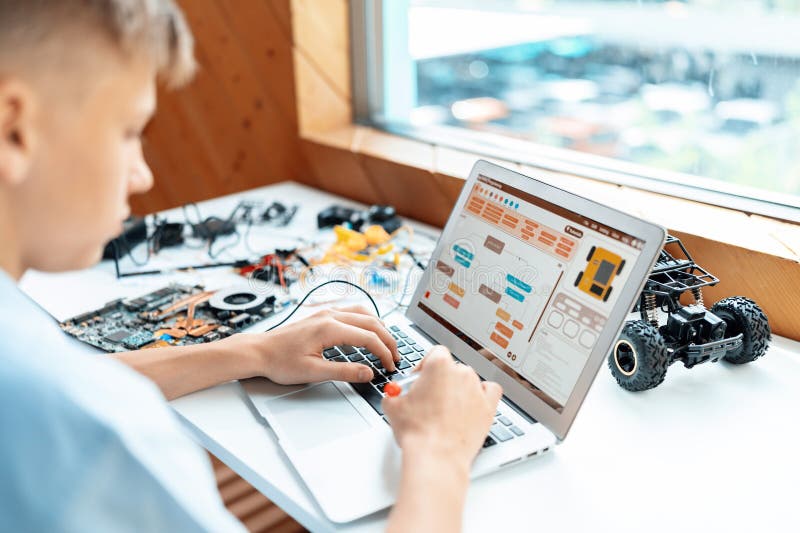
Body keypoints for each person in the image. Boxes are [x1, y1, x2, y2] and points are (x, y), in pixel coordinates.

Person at [0, 1, 503, 531]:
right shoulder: (91, 431)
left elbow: (80, 376)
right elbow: (71, 394)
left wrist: (256, 350)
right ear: (15, 129)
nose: (143, 175)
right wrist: (438, 452)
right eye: (128, 132)